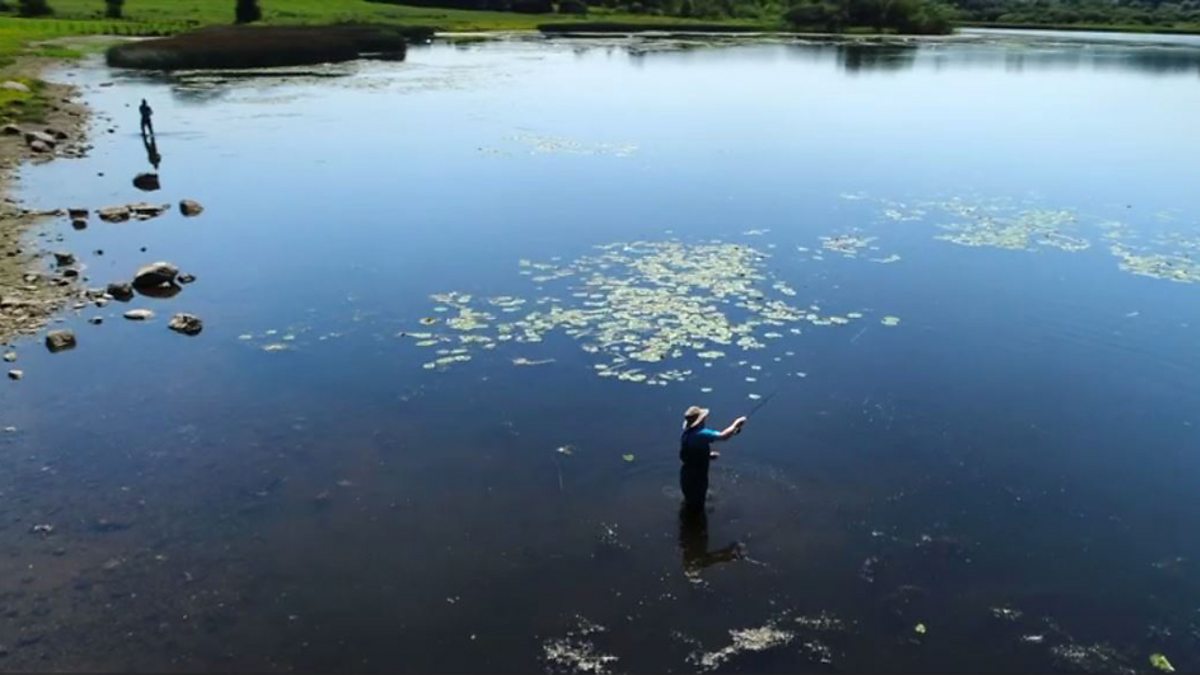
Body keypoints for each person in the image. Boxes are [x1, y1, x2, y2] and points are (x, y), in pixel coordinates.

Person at [679, 406, 746, 511]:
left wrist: (707, 455)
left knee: (690, 505)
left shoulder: (687, 434)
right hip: (697, 478)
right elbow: (723, 436)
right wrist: (736, 424)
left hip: (686, 476)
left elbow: (690, 453)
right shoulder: (700, 433)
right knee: (697, 506)